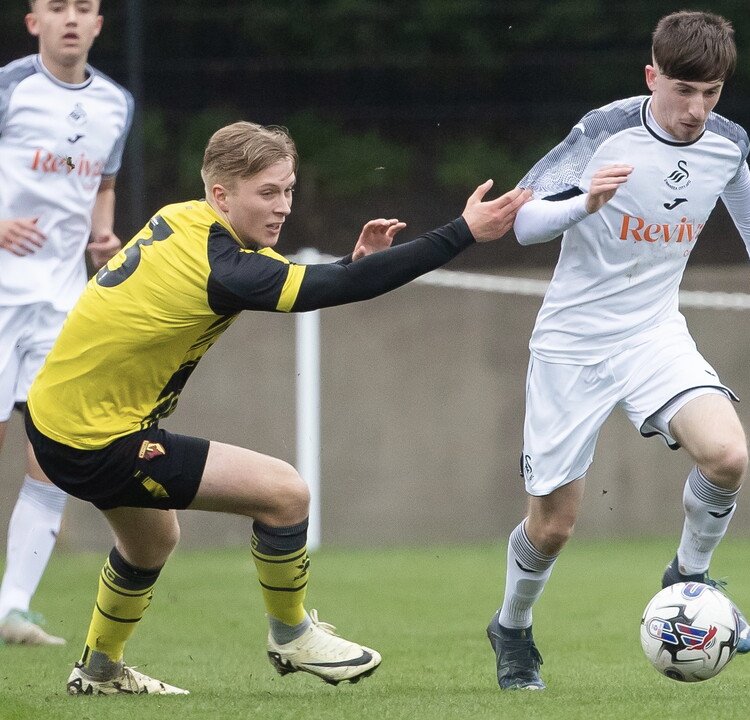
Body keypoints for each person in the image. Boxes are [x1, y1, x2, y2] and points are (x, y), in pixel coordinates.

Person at [23, 120, 529, 694]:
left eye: (287, 189)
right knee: (284, 493)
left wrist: (349, 265)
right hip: (95, 440)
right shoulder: (225, 266)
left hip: (57, 420)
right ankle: (291, 637)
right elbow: (316, 290)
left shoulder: (181, 218)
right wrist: (462, 230)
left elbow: (299, 279)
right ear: (221, 194)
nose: (283, 206)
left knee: (150, 542)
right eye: (268, 192)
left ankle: (99, 672)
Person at [485, 10, 750, 691]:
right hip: (572, 344)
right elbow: (523, 221)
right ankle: (512, 627)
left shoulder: (726, 139)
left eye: (711, 93)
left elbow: (734, 175)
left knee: (729, 455)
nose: (696, 109)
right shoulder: (603, 132)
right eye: (683, 90)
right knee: (554, 525)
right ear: (652, 76)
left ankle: (688, 577)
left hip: (654, 331)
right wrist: (582, 206)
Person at [0, 0, 131, 646]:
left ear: (99, 24)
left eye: (84, 7)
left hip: (62, 301)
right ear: (34, 22)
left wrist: (101, 235)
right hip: (0, 294)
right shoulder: (9, 87)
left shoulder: (116, 104)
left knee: (50, 451)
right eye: (57, 7)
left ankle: (12, 608)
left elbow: (103, 183)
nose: (71, 18)